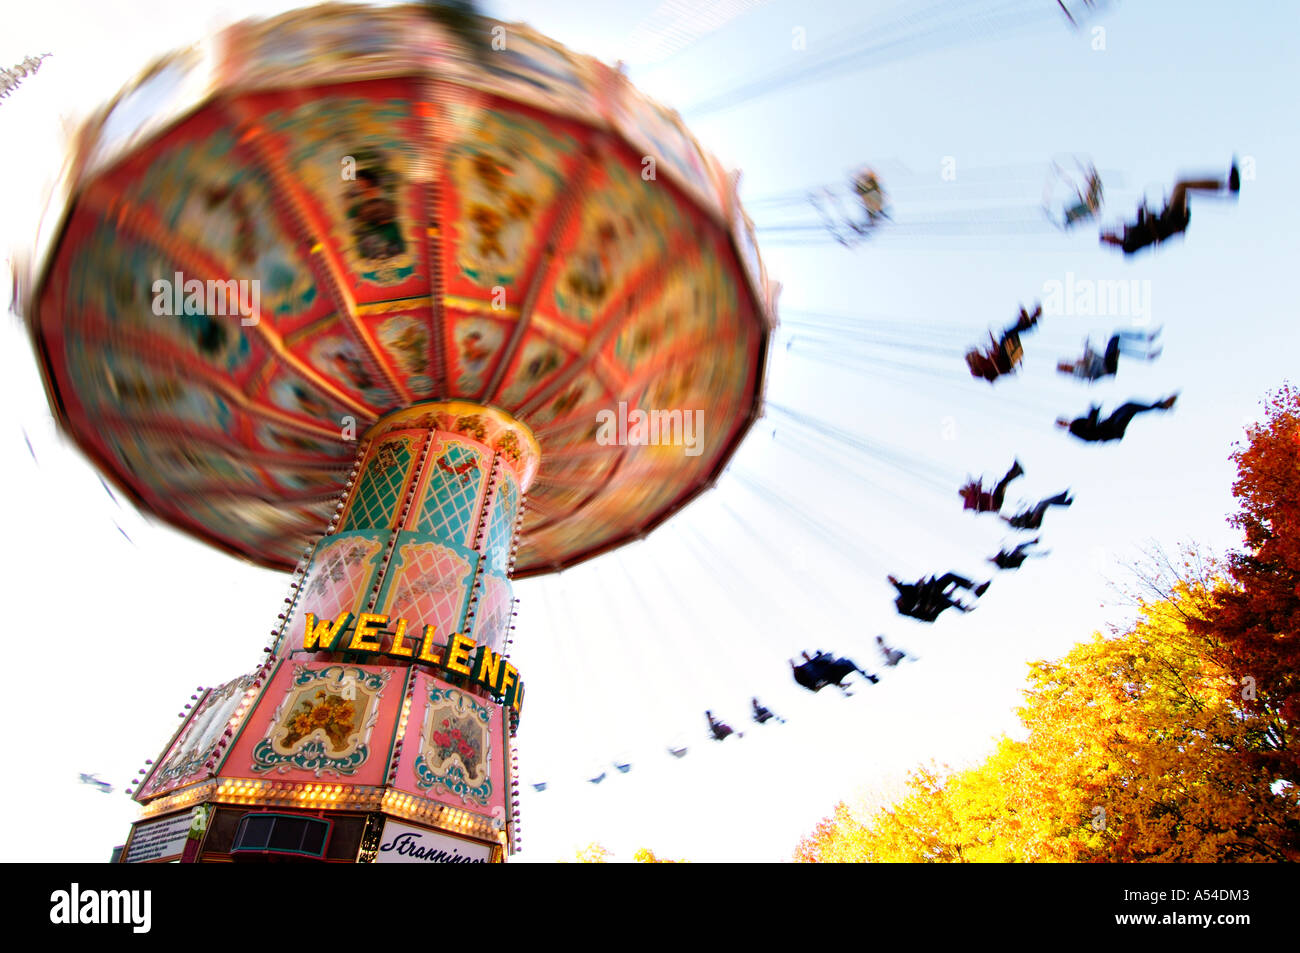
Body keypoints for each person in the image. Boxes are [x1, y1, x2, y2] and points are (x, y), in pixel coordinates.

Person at [1100, 159, 1239, 256]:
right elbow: (1147, 237)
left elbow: (1143, 223)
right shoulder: (1128, 247)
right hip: (1173, 222)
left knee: (1182, 183)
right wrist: (1146, 218)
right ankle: (1226, 186)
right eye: (1109, 238)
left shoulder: (1128, 231)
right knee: (1181, 186)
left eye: (1109, 234)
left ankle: (1226, 184)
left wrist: (1141, 209)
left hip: (1170, 216)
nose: (1112, 235)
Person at [1057, 395, 1177, 443]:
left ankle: (1161, 406)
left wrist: (1094, 411)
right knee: (1128, 409)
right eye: (1063, 423)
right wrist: (1093, 415)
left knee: (1128, 406)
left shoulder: (1077, 420)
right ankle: (1161, 406)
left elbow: (1092, 420)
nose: (1065, 422)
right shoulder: (1074, 431)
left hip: (1109, 423)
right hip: (1111, 430)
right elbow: (1090, 433)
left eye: (1063, 420)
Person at [1057, 328, 1162, 382]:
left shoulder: (1078, 364)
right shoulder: (1077, 374)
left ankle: (1147, 341)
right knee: (1116, 343)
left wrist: (1087, 347)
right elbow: (1091, 373)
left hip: (1106, 361)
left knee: (1116, 338)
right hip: (1106, 367)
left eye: (1065, 364)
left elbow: (1092, 356)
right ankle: (1147, 353)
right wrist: (1086, 361)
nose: (1068, 366)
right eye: (1065, 367)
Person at [889, 572, 991, 621]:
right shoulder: (907, 605)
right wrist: (894, 583)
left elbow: (912, 589)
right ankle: (964, 608)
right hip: (930, 600)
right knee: (942, 599)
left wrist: (920, 584)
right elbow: (902, 590)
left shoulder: (907, 592)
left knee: (949, 576)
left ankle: (975, 588)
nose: (900, 600)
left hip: (931, 591)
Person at [960, 459, 1025, 513]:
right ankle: (1017, 471)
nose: (967, 489)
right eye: (964, 491)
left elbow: (976, 492)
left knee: (1001, 484)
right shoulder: (968, 501)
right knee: (1002, 485)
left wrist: (974, 484)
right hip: (994, 505)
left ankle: (1015, 469)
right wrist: (974, 487)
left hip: (992, 498)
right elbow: (975, 503)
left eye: (966, 488)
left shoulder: (970, 495)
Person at [1001, 491, 1073, 530]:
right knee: (1043, 504)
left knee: (1042, 502)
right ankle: (1062, 500)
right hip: (1034, 522)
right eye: (1005, 518)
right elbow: (1024, 525)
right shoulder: (1012, 524)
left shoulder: (1014, 518)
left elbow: (1025, 516)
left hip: (1033, 516)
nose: (1006, 517)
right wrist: (1032, 519)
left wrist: (1028, 510)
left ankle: (1061, 498)